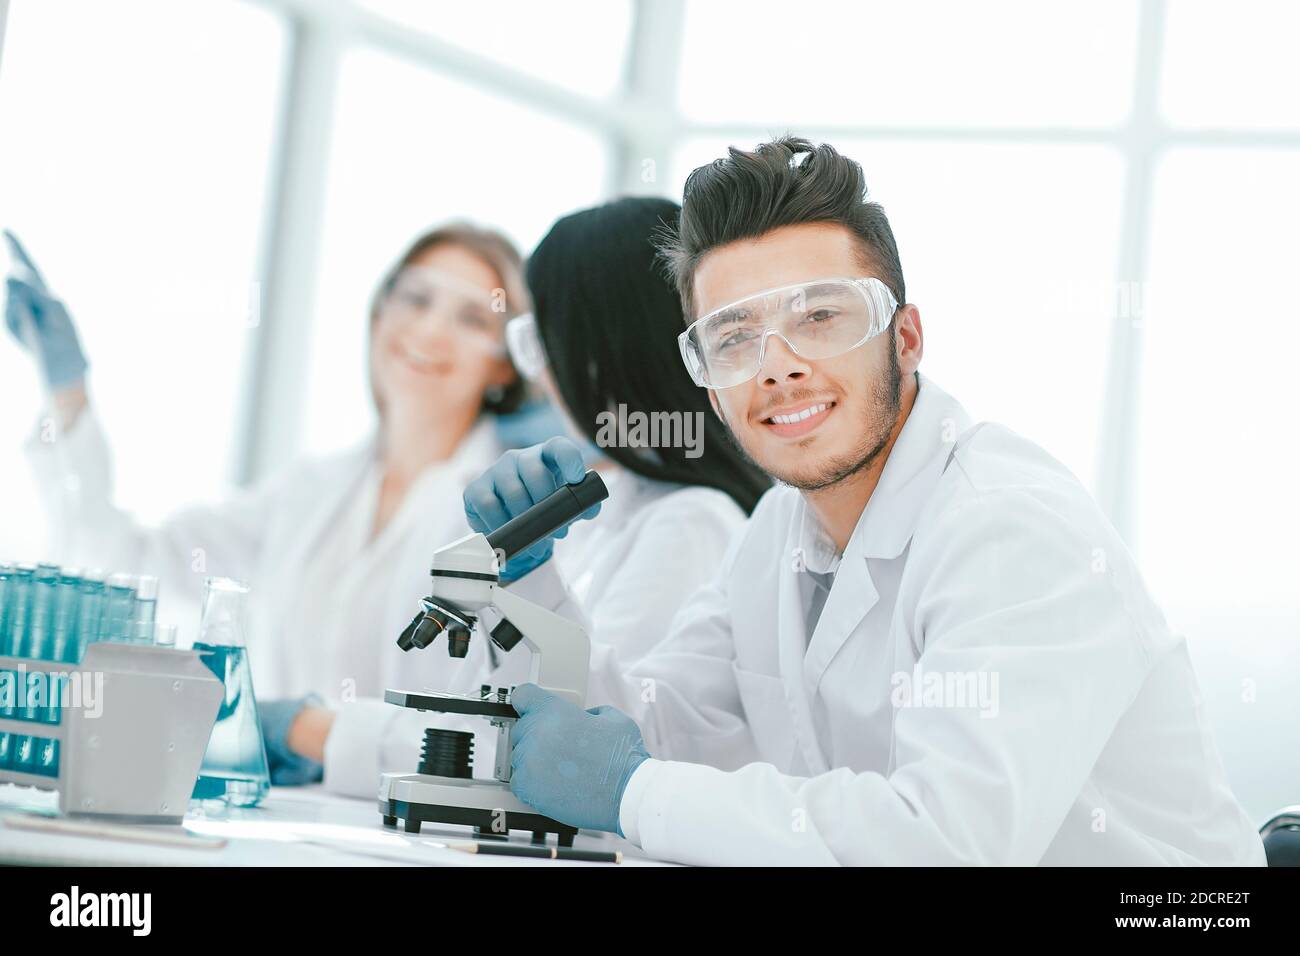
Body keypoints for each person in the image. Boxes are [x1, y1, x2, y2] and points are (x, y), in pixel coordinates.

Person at [466, 138, 1266, 866]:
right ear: (708, 386)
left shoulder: (1010, 527)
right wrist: (532, 580)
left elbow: (943, 840)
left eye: (819, 316)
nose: (777, 368)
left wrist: (631, 790)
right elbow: (635, 738)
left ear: (907, 339)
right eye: (735, 338)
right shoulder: (778, 530)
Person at [4, 223, 550, 786]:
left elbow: (510, 736)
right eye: (415, 298)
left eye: (472, 318)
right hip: (291, 822)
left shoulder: (515, 509)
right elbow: (129, 561)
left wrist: (310, 731)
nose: (431, 330)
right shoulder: (309, 491)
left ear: (504, 363)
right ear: (378, 314)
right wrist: (68, 396)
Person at [274, 197, 770, 797]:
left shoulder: (691, 523)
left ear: (599, 349)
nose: (540, 373)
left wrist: (320, 732)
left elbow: (584, 744)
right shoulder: (606, 504)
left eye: (542, 342)